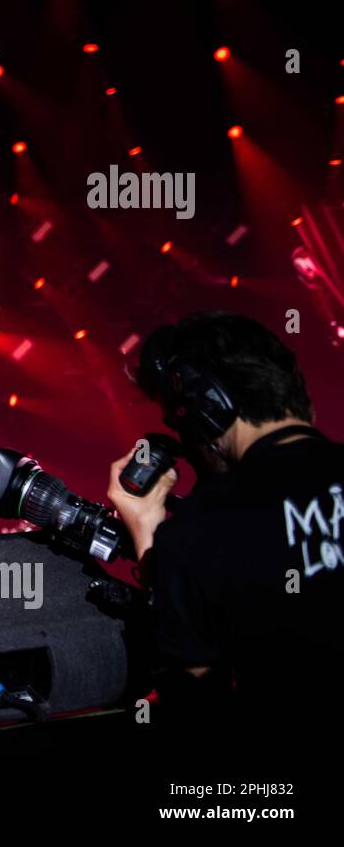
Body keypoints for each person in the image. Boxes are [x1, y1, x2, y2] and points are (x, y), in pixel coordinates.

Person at [106, 311, 344, 743]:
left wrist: (150, 540)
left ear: (209, 409)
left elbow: (198, 712)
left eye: (178, 422)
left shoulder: (199, 533)